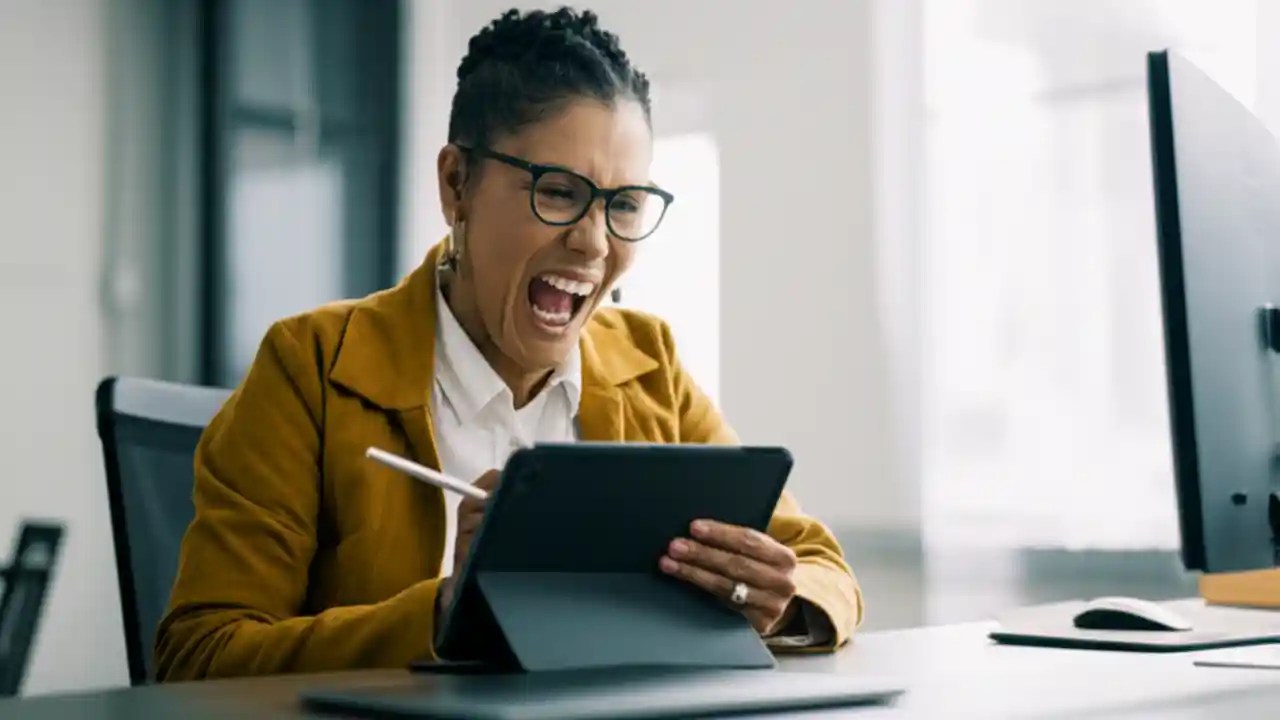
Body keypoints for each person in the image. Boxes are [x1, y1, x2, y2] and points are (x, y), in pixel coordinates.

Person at [156, 7, 862, 681]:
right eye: (557, 192)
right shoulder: (310, 367)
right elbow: (199, 657)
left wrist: (774, 604)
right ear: (457, 184)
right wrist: (445, 614)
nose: (592, 241)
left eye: (623, 205)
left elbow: (823, 568)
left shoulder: (650, 365)